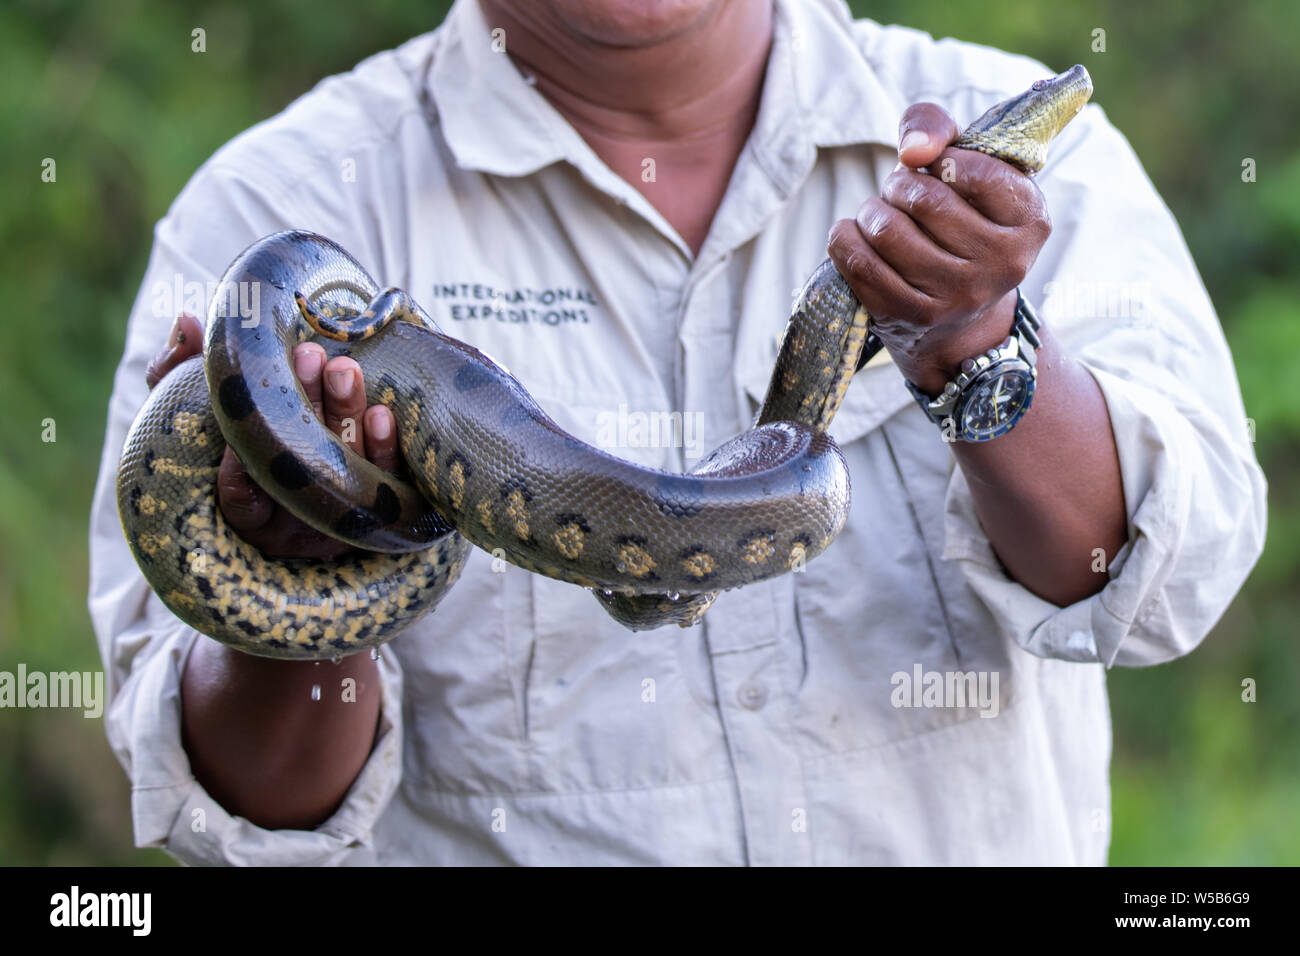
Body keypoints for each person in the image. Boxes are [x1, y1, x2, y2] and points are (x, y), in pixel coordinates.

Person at [88, 0, 1266, 865]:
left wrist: (971, 339)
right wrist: (313, 565)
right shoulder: (281, 204)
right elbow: (238, 817)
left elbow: (1155, 589)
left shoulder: (1011, 180)